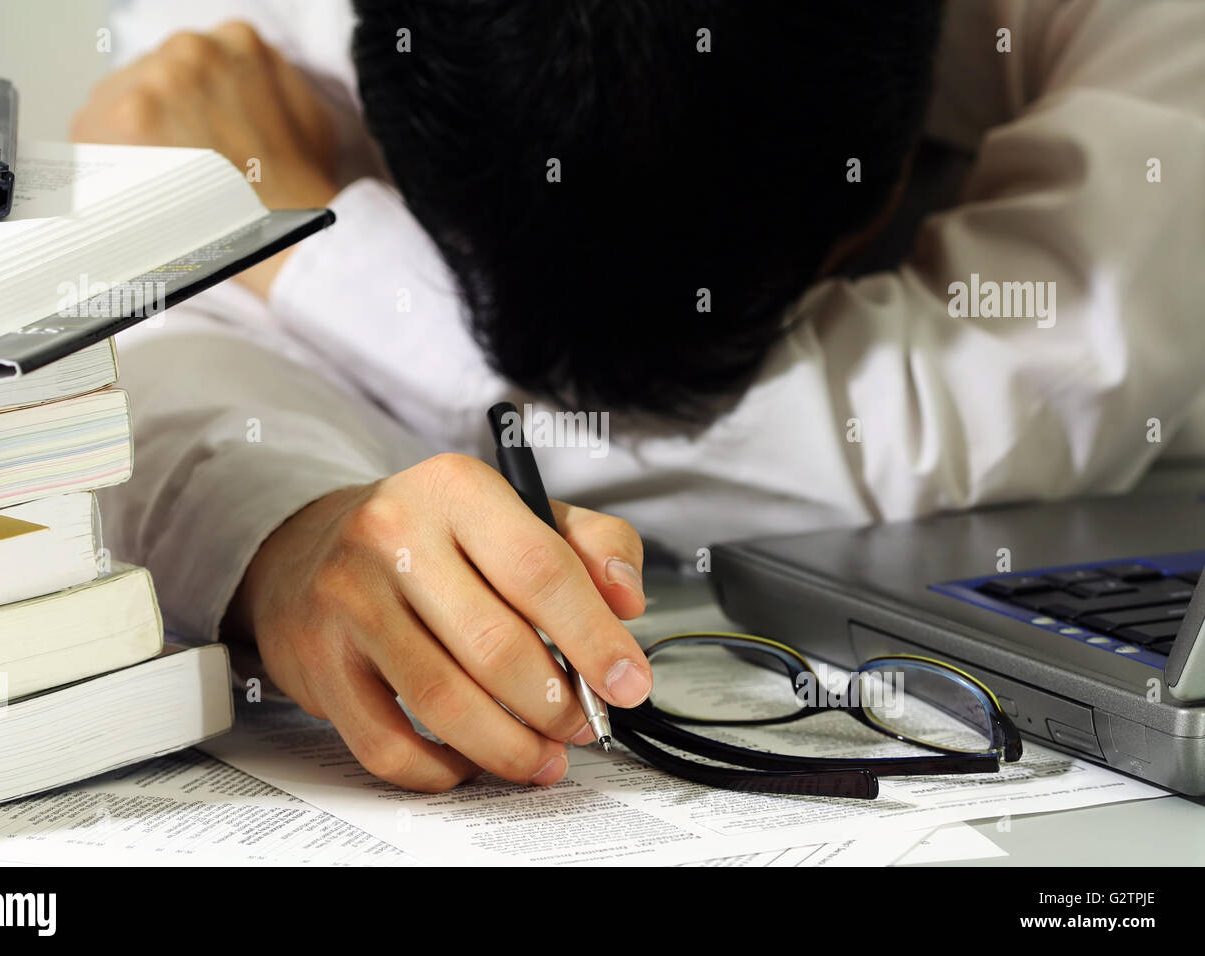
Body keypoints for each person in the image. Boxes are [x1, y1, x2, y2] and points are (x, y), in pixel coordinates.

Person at [72, 0, 1205, 791]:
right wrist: (293, 540)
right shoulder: (261, 28)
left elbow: (1008, 384)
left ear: (888, 182)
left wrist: (308, 255)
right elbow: (133, 350)